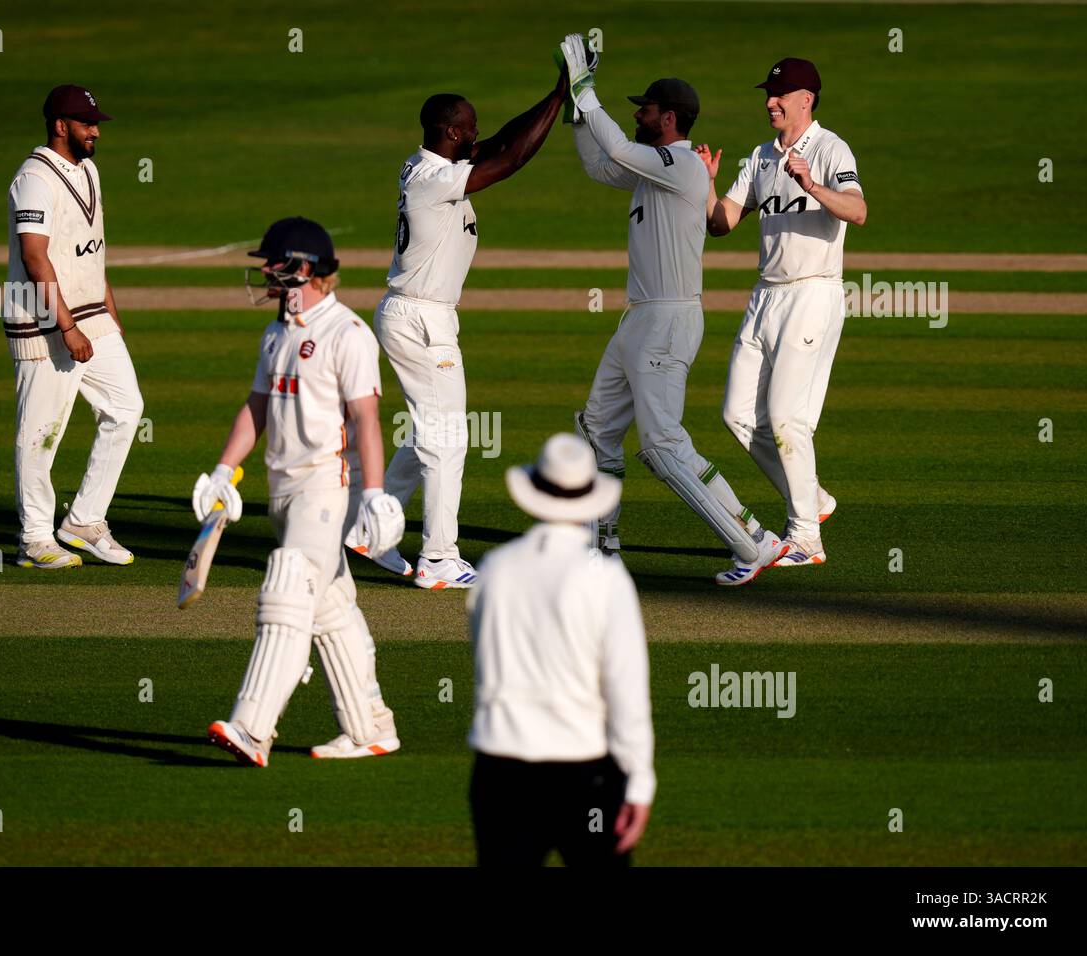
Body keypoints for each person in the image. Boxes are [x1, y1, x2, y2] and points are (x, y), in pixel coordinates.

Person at [560, 35, 787, 586]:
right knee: (596, 431)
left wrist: (588, 91)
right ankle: (601, 550)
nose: (638, 113)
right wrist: (573, 104)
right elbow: (598, 162)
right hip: (640, 320)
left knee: (662, 445)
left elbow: (615, 147)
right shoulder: (653, 169)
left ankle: (752, 541)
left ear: (669, 119)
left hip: (667, 321)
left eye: (646, 108)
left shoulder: (681, 167)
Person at [352, 66, 569, 590]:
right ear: (452, 133)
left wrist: (552, 95)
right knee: (447, 438)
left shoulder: (427, 161)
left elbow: (500, 143)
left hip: (416, 313)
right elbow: (512, 157)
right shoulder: (433, 180)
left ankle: (369, 527)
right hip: (422, 318)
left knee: (431, 431)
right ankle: (439, 559)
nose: (478, 134)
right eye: (470, 128)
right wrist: (562, 95)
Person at [201, 217, 404, 767]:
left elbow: (365, 417)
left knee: (287, 585)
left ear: (305, 269)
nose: (265, 274)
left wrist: (376, 494)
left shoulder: (347, 334)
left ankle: (252, 727)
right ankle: (369, 729)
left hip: (325, 488)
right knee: (330, 607)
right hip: (282, 489)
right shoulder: (276, 334)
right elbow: (257, 407)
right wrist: (223, 470)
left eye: (274, 264)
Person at [701, 58, 866, 568]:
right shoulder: (761, 156)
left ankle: (805, 539)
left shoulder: (829, 147)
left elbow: (858, 212)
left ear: (806, 99)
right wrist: (706, 185)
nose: (770, 101)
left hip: (813, 292)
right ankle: (812, 500)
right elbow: (722, 223)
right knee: (737, 415)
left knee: (788, 420)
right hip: (765, 295)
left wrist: (813, 185)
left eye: (781, 94)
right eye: (768, 93)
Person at [467, 433, 654, 867]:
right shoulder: (605, 579)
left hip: (501, 770)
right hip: (583, 773)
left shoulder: (494, 569)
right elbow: (626, 690)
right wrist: (638, 782)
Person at [3, 84, 143, 570]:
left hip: (91, 316)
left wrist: (110, 313)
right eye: (87, 123)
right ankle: (35, 538)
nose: (96, 131)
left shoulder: (91, 171)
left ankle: (84, 520)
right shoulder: (34, 178)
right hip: (45, 322)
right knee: (41, 432)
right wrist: (66, 328)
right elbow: (34, 257)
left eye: (96, 122)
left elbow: (91, 250)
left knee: (127, 407)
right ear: (61, 126)